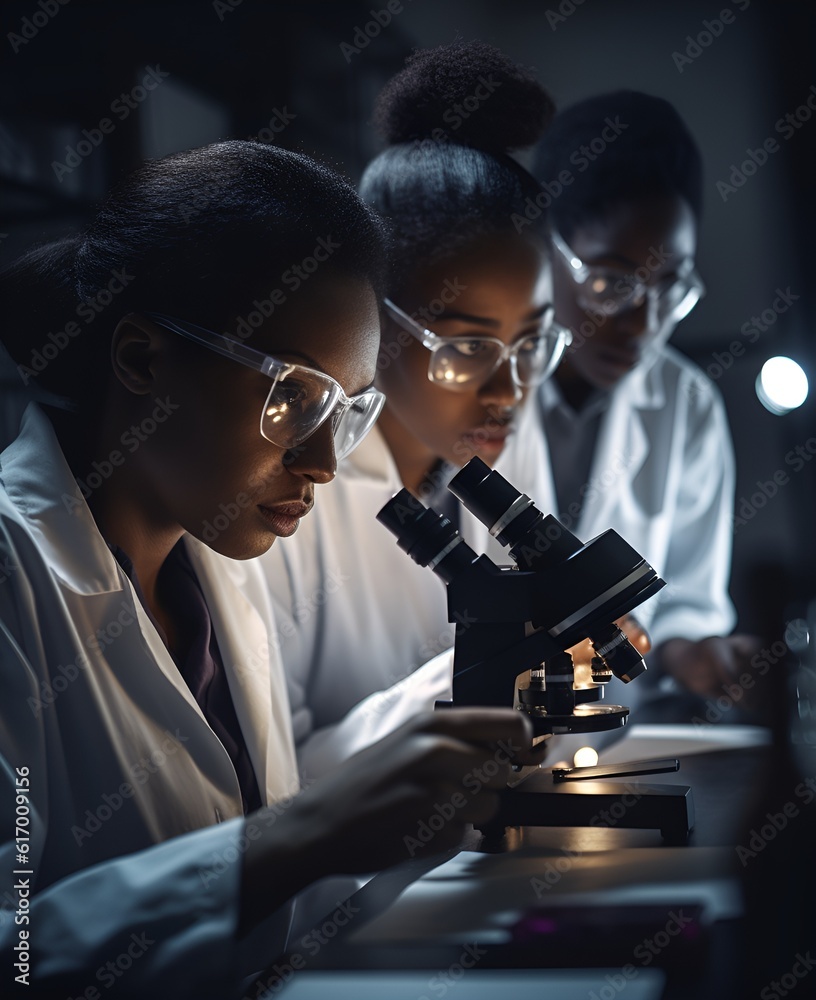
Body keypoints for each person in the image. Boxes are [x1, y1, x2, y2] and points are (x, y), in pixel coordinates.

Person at [0, 139, 544, 998]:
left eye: (349, 411)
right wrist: (297, 838)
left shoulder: (222, 568)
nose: (323, 463)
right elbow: (17, 954)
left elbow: (276, 891)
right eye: (293, 397)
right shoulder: (15, 579)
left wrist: (467, 712)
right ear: (142, 359)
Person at [259, 41, 573, 779]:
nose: (508, 392)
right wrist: (485, 672)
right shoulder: (285, 487)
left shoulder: (501, 436)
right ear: (374, 320)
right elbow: (277, 783)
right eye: (465, 349)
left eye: (531, 345)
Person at [501, 89, 761, 727]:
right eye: (610, 283)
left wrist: (694, 653)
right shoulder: (480, 385)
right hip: (480, 734)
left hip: (616, 738)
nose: (643, 324)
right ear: (546, 246)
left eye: (671, 286)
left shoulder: (687, 404)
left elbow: (687, 602)